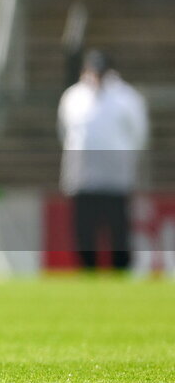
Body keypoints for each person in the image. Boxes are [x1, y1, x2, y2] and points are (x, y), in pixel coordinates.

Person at [57, 49, 147, 271]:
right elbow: (65, 132)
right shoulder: (73, 96)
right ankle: (88, 269)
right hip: (83, 178)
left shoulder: (126, 97)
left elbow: (139, 133)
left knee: (118, 229)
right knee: (85, 230)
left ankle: (121, 269)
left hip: (115, 179)